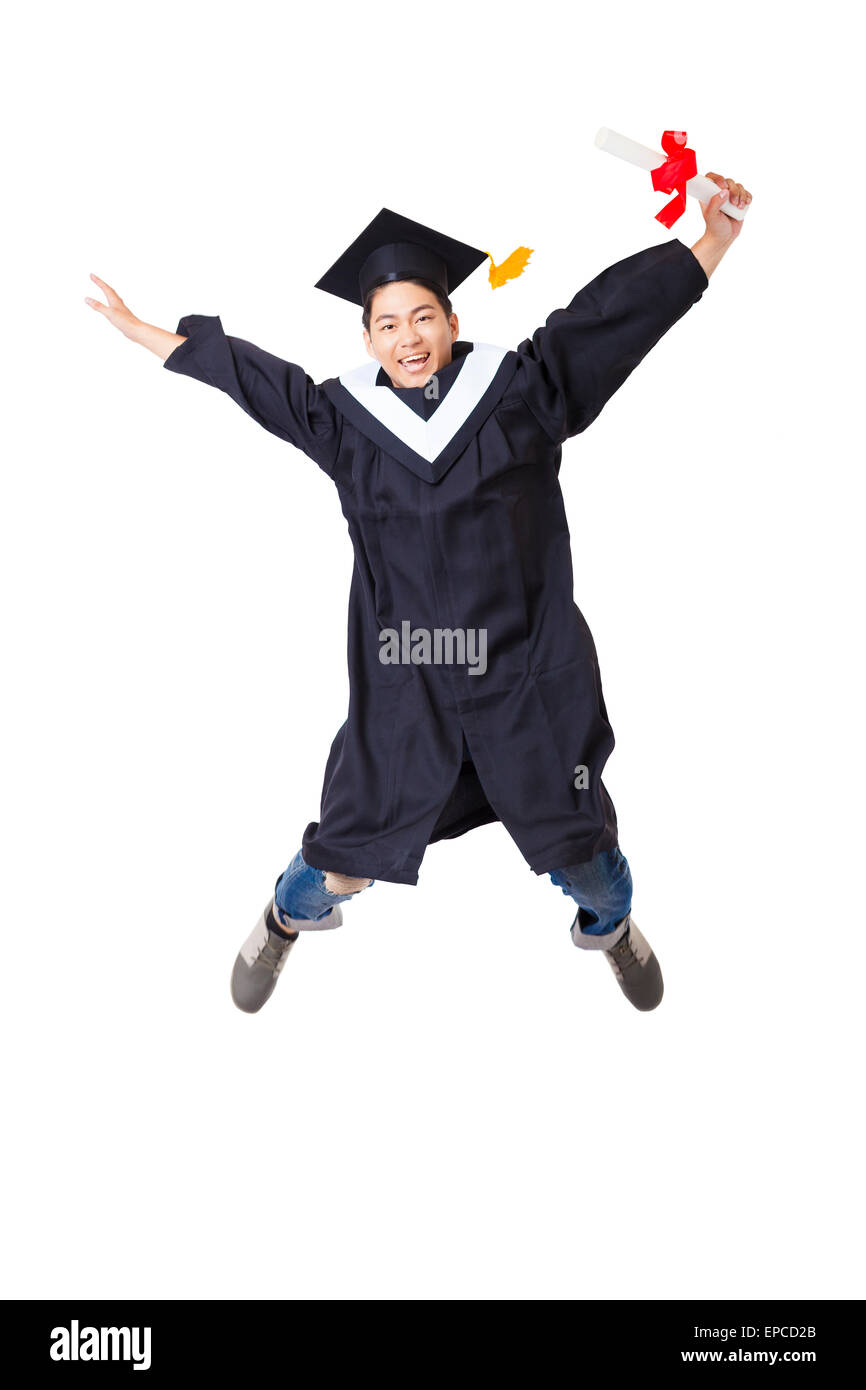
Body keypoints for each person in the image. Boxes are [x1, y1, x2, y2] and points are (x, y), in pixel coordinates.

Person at [85, 175, 751, 1017]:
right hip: (411, 684)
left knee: (583, 854)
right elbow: (257, 380)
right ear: (367, 337)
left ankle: (611, 926)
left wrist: (712, 242)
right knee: (344, 854)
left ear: (453, 321)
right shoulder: (342, 423)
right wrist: (148, 333)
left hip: (529, 676)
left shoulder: (522, 393)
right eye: (388, 324)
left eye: (423, 317)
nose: (408, 339)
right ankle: (287, 918)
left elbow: (608, 322)